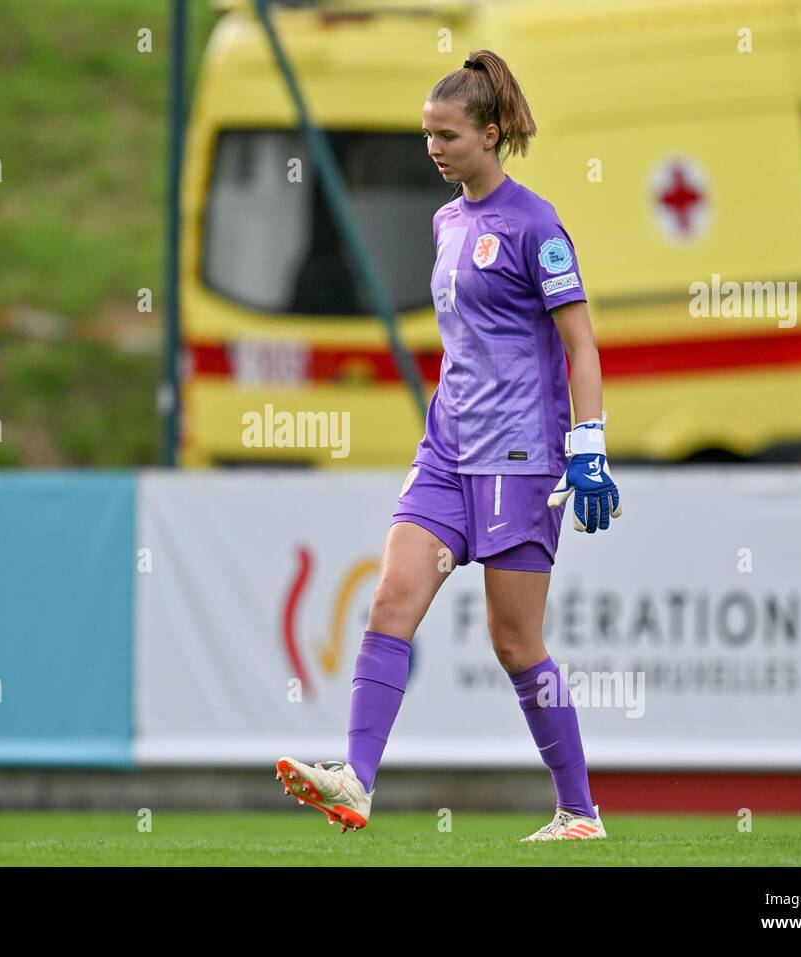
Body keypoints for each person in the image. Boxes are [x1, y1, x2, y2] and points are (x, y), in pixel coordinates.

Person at [276, 49, 620, 841]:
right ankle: (355, 779)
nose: (432, 147)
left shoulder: (538, 225)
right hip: (446, 452)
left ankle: (579, 811)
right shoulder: (445, 221)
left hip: (518, 461)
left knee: (514, 640)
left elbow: (582, 345)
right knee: (390, 600)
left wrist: (588, 443)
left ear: (491, 134)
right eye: (426, 134)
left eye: (447, 134)